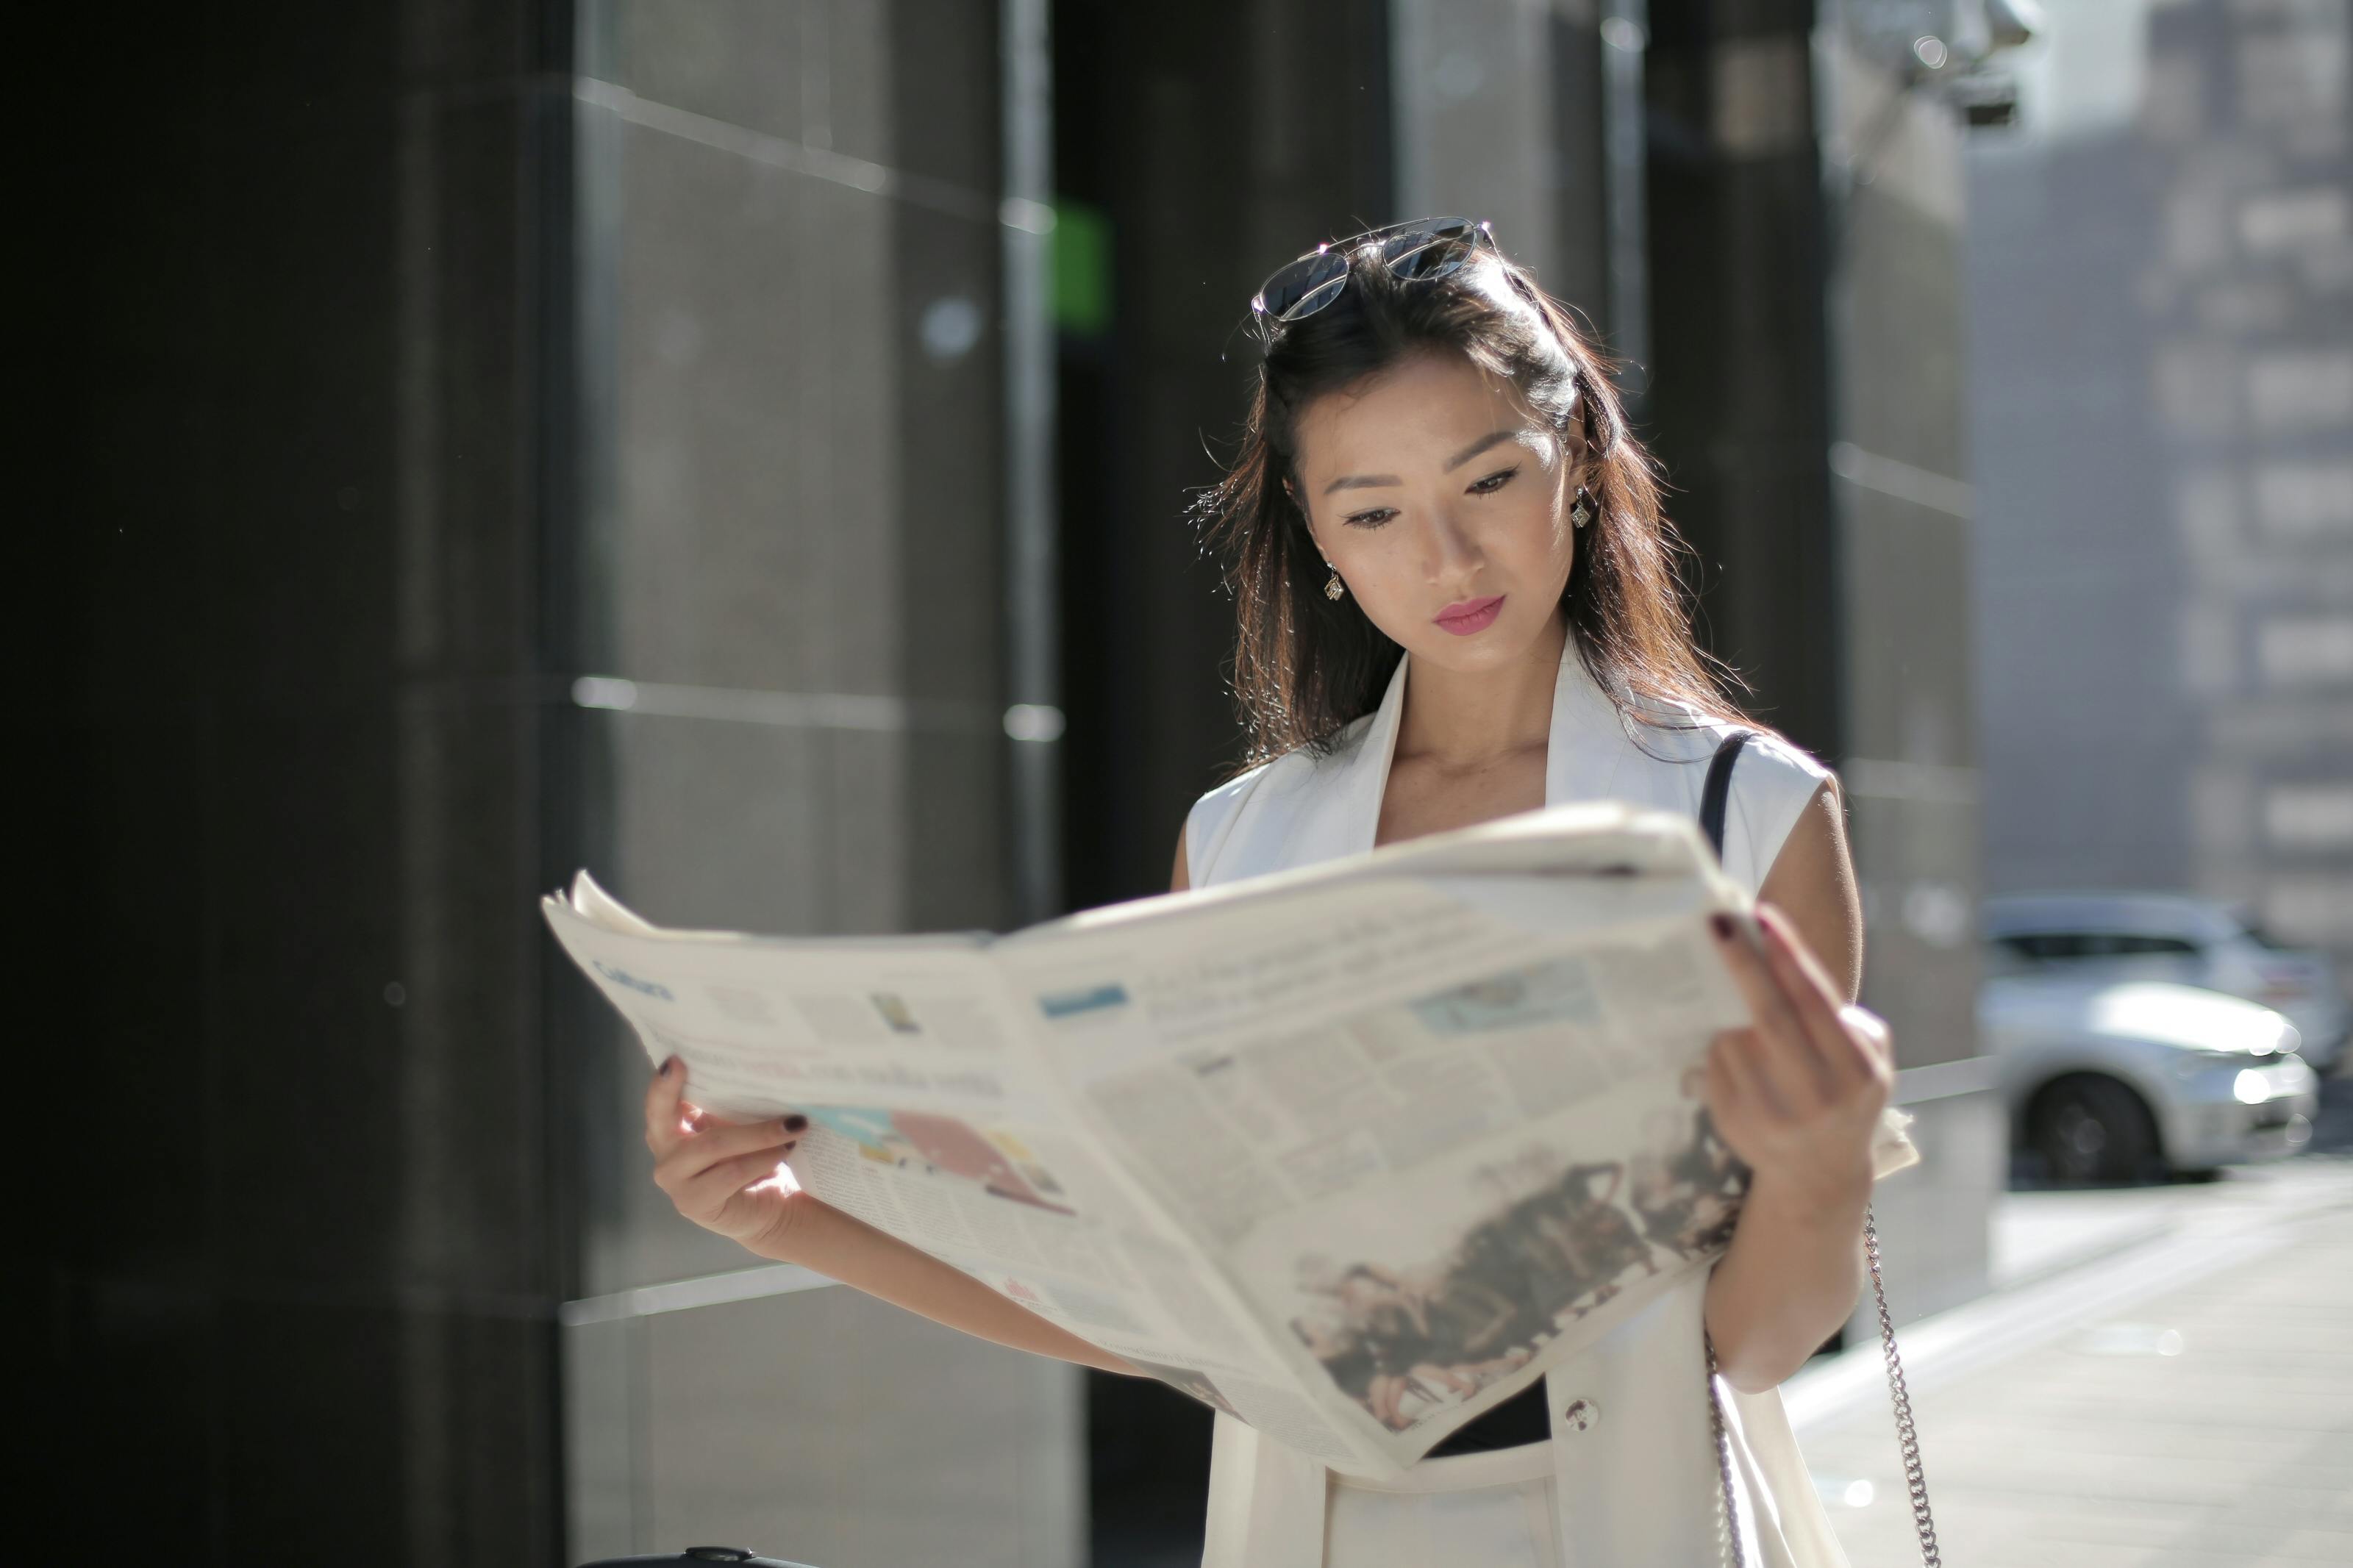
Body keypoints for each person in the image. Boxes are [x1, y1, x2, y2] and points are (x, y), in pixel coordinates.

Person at [636, 217, 1918, 1567]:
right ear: (1317, 534)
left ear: (1580, 469)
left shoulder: (1748, 813)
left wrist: (1821, 1163)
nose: (1445, 558)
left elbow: (1761, 1341)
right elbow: (1180, 1320)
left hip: (1640, 1511)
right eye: (1373, 512)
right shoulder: (1244, 835)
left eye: (1489, 479)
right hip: (1308, 1528)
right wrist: (786, 1215)